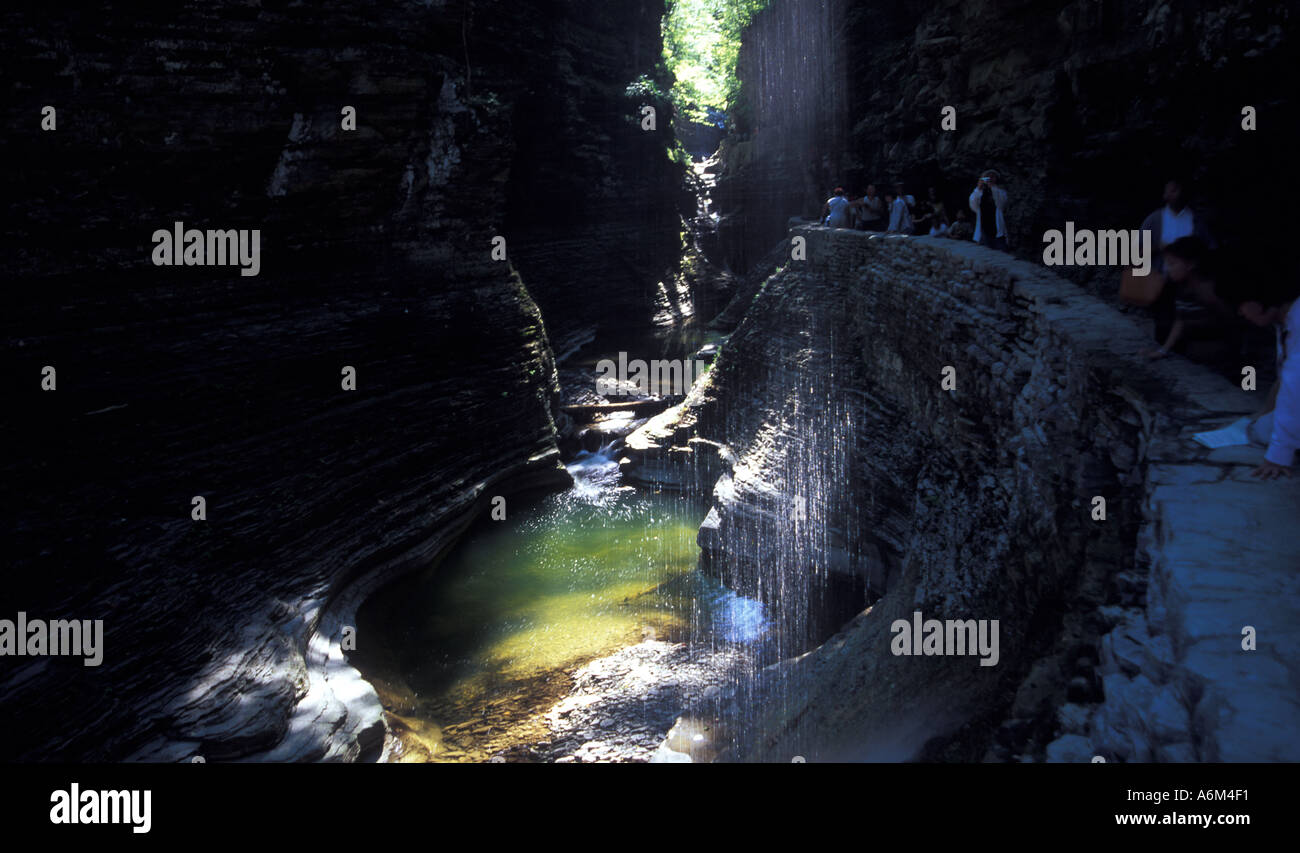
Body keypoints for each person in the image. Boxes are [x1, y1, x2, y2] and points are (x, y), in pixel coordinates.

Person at [1217, 276, 1300, 479]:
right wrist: (1261, 413)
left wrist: (1278, 456)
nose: (1241, 313)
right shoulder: (1284, 322)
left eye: (1242, 306)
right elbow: (1283, 379)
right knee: (1261, 425)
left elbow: (1294, 388)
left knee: (1264, 432)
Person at [1141, 236, 1231, 360]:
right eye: (1167, 264)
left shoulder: (1207, 290)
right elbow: (1180, 320)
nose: (1167, 269)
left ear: (1191, 264)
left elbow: (1228, 321)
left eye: (1172, 264)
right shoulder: (1181, 287)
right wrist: (1162, 351)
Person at [1139, 179, 1214, 273]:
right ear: (1164, 195)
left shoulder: (1197, 220)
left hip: (1190, 281)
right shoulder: (1153, 220)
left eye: (1175, 190)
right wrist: (1157, 247)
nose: (1173, 194)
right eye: (1170, 190)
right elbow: (1136, 255)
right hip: (1160, 280)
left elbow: (1210, 251)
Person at [969, 169, 1008, 249]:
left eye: (992, 176)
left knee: (1000, 250)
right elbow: (973, 205)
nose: (990, 178)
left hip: (997, 228)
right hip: (984, 228)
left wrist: (992, 187)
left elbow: (1001, 204)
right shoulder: (980, 192)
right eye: (987, 177)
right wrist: (978, 189)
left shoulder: (1001, 191)